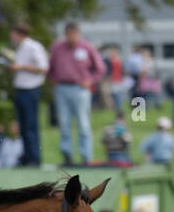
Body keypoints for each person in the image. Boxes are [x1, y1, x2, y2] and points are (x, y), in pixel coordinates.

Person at [47, 22, 105, 167]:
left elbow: (100, 68)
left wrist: (90, 81)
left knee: (83, 123)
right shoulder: (58, 47)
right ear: (65, 34)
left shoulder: (87, 47)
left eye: (74, 34)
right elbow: (50, 67)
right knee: (64, 123)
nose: (71, 37)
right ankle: (67, 155)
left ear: (78, 34)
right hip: (62, 88)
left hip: (80, 89)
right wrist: (53, 79)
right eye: (68, 34)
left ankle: (86, 156)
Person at [8, 23, 48, 167]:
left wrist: (21, 67)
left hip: (30, 89)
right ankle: (26, 156)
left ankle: (34, 158)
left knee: (31, 125)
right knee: (23, 126)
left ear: (19, 34)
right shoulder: (20, 48)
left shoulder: (33, 47)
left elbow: (43, 68)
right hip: (20, 88)